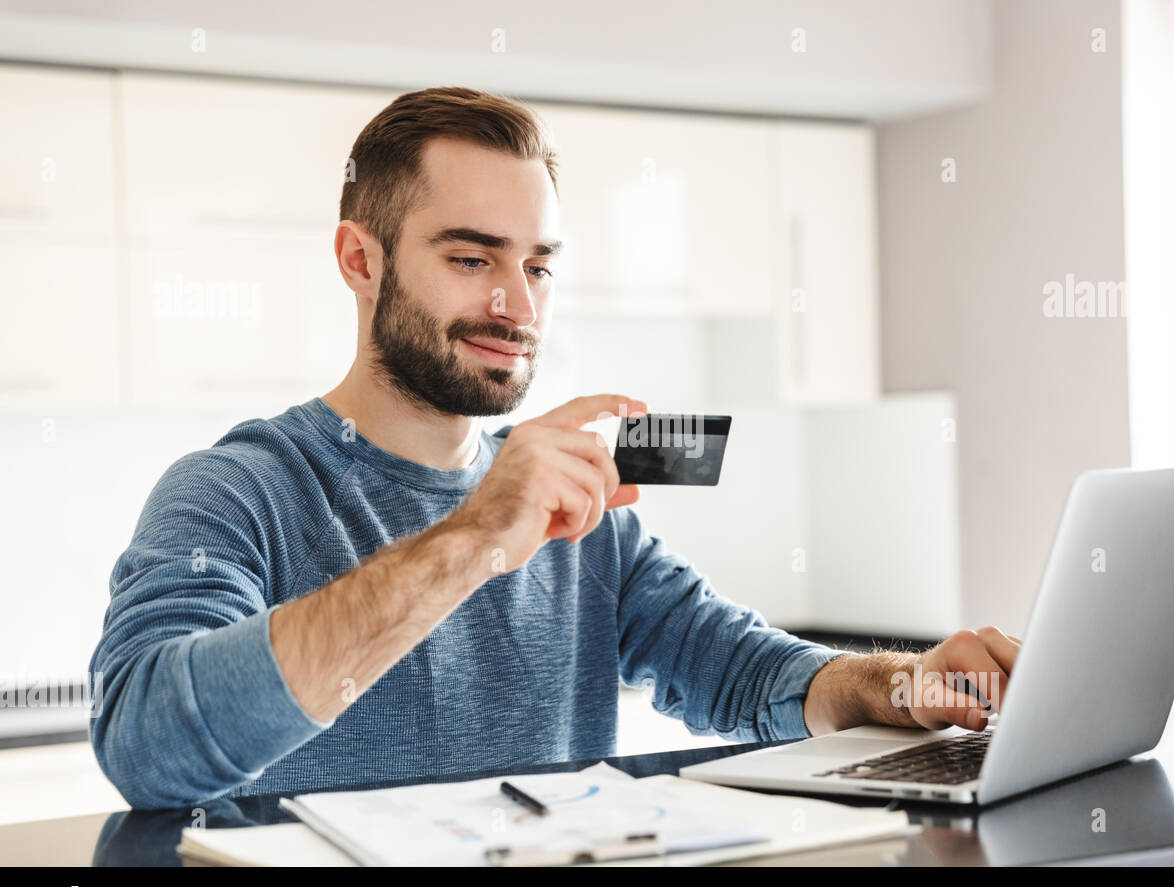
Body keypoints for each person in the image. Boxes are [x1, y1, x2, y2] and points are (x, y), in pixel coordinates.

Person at [90, 86, 1018, 810]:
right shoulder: (235, 492)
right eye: (471, 259)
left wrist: (908, 685)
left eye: (538, 265)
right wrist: (472, 537)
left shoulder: (575, 511)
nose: (520, 307)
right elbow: (147, 748)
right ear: (360, 260)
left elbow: (743, 674)